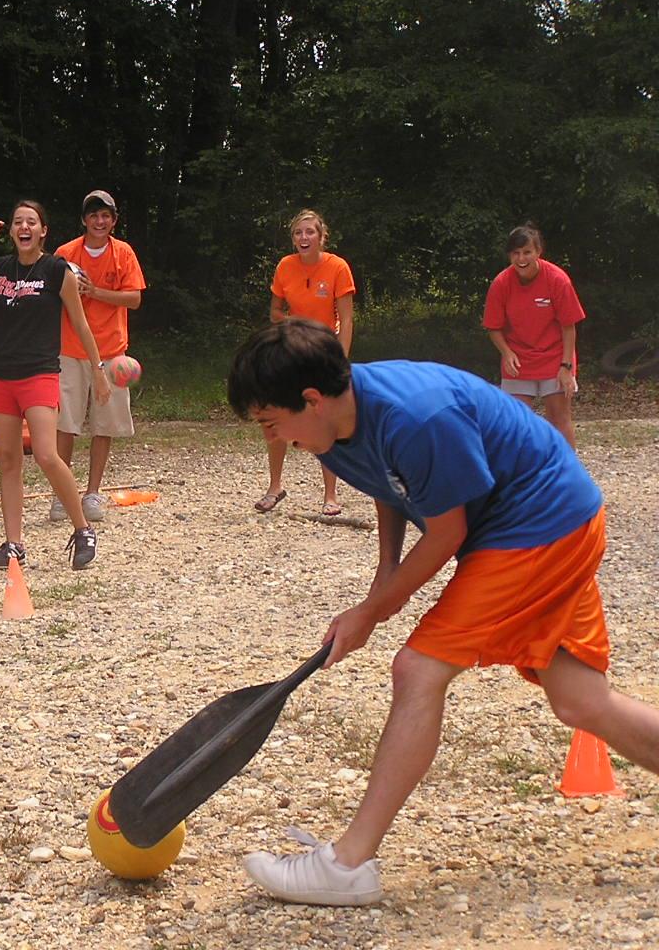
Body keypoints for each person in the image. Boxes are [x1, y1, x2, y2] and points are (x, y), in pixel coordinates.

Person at [227, 318, 659, 907]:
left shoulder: (417, 416)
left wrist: (374, 612)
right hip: (542, 524)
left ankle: (349, 865)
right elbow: (390, 485)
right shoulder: (337, 423)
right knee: (581, 700)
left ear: (311, 398)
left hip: (540, 526)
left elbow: (446, 534)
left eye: (271, 424)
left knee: (418, 670)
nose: (271, 438)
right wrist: (382, 577)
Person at [0, 200, 111, 572]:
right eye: (18, 222)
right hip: (0, 376)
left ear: (43, 231)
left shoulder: (56, 270)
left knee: (47, 454)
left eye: (31, 222)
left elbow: (79, 324)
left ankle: (82, 530)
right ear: (12, 231)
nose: (24, 227)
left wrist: (97, 370)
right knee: (9, 462)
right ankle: (15, 544)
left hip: (39, 373)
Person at [51, 190, 146, 523]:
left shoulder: (123, 253)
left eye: (105, 215)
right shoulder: (66, 253)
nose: (99, 221)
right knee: (65, 425)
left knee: (104, 426)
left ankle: (92, 493)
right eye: (93, 215)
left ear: (113, 220)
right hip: (69, 350)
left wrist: (94, 292)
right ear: (83, 220)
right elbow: (49, 294)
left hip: (112, 352)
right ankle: (62, 496)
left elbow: (134, 299)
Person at [255, 209, 355, 516]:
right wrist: (292, 324)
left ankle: (331, 494)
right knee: (276, 412)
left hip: (324, 353)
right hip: (291, 349)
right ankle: (275, 488)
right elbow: (274, 311)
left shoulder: (338, 267)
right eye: (298, 233)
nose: (303, 238)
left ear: (322, 237)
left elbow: (347, 319)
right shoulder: (285, 266)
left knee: (325, 419)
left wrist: (341, 359)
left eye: (310, 232)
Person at [483, 223, 584, 448]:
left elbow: (569, 326)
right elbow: (493, 327)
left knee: (559, 418)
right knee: (514, 423)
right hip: (519, 359)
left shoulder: (558, 279)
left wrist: (566, 367)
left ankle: (567, 476)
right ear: (510, 255)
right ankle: (519, 477)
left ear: (538, 252)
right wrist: (506, 352)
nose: (521, 258)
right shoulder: (501, 283)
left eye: (527, 252)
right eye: (516, 253)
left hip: (556, 356)